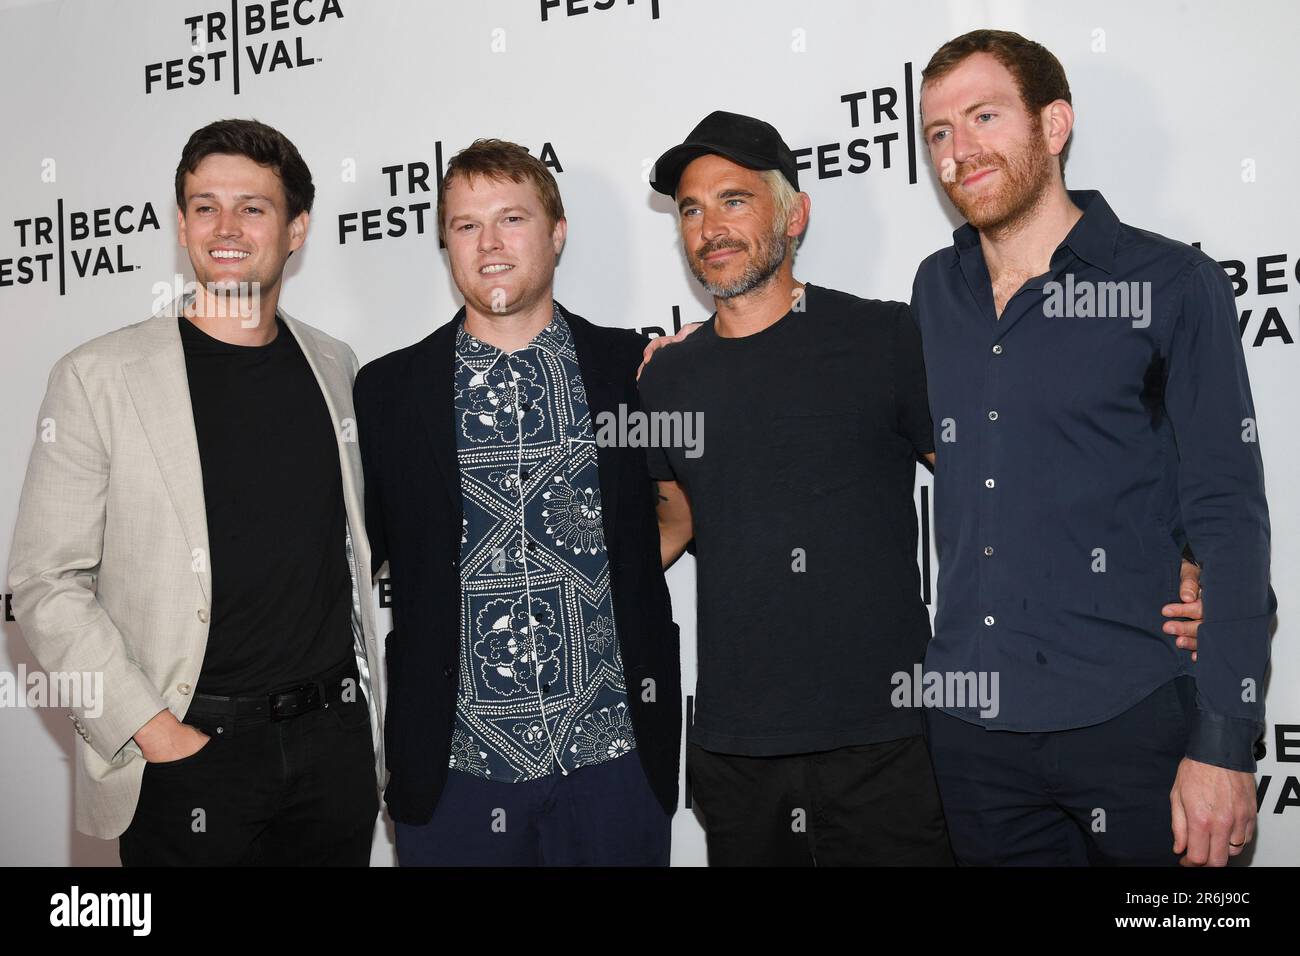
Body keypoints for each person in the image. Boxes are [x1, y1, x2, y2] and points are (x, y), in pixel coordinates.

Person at [637, 111, 1205, 866]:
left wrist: (1165, 563)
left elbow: (999, 483)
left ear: (794, 213)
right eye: (691, 209)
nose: (710, 226)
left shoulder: (886, 338)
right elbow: (670, 520)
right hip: (735, 752)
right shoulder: (666, 376)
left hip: (891, 743)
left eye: (734, 200)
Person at [911, 29, 1273, 866]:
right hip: (973, 737)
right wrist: (696, 348)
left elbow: (1228, 513)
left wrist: (1224, 741)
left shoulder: (1170, 283)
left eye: (984, 116)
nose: (959, 150)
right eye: (937, 132)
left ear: (1054, 123)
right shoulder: (935, 290)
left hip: (1136, 719)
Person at [8, 118, 383, 865]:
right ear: (181, 225)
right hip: (191, 757)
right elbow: (44, 583)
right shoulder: (99, 377)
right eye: (204, 206)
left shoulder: (335, 365)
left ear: (297, 226)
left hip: (332, 748)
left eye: (253, 207)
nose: (226, 228)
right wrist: (152, 729)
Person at [353, 139, 680, 866]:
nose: (490, 243)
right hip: (455, 773)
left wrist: (600, 568)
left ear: (557, 232)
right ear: (447, 244)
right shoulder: (387, 393)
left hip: (614, 760)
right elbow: (358, 554)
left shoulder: (633, 368)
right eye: (467, 225)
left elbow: (679, 512)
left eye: (512, 219)